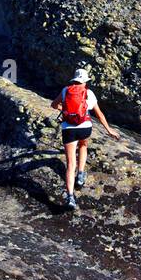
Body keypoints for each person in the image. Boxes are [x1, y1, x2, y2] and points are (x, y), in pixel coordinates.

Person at [51, 67, 119, 210]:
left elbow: (53, 105)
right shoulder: (89, 93)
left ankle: (70, 198)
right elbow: (99, 115)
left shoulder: (65, 91)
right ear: (85, 81)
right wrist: (109, 130)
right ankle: (80, 175)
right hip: (85, 127)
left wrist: (64, 111)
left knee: (70, 164)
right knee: (83, 145)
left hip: (68, 129)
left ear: (74, 79)